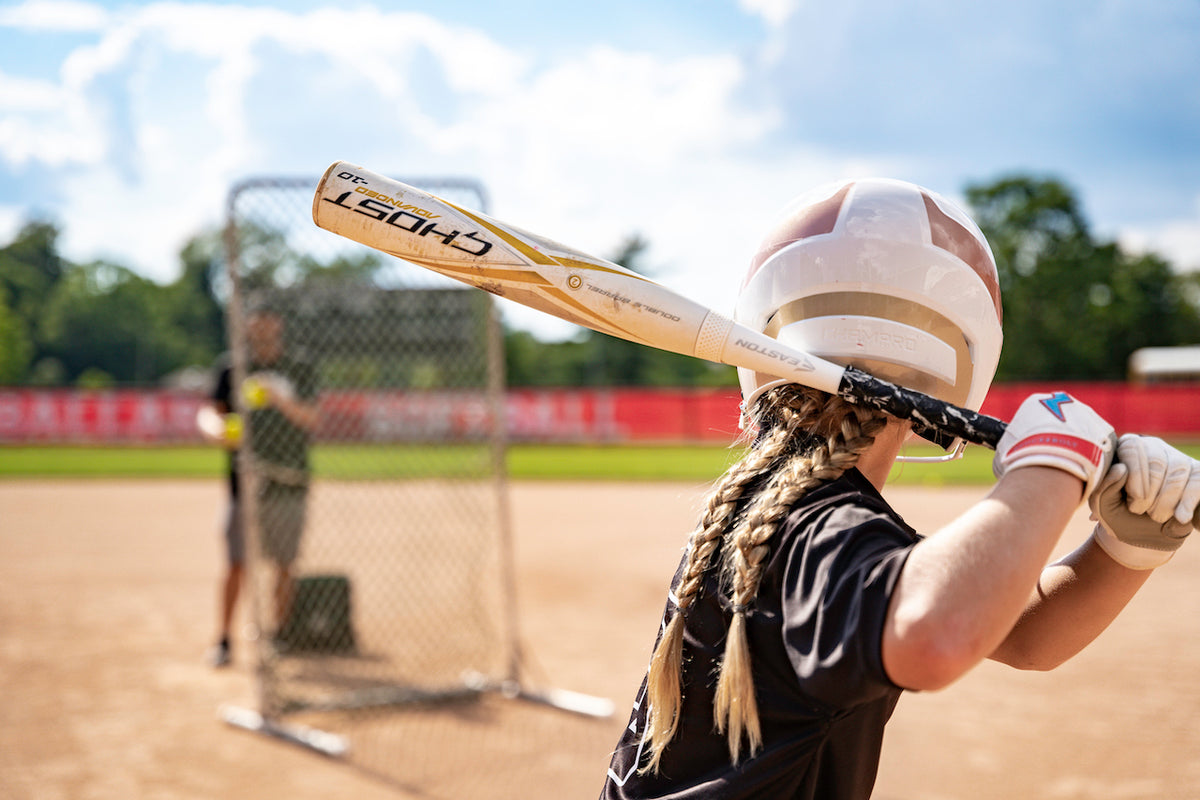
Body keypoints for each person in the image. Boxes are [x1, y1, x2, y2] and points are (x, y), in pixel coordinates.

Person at [600, 178, 1200, 799]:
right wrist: (1053, 463)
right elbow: (935, 636)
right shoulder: (819, 528)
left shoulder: (779, 508)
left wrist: (1126, 549)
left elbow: (1024, 634)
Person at [197, 300, 319, 668]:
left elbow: (312, 419)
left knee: (285, 563)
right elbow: (211, 413)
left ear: (279, 323)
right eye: (256, 320)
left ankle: (278, 636)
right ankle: (224, 639)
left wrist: (277, 398)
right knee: (236, 563)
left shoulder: (299, 367)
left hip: (289, 478)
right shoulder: (232, 367)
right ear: (248, 325)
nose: (263, 326)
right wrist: (216, 430)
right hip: (244, 481)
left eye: (269, 319)